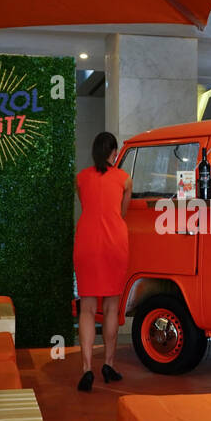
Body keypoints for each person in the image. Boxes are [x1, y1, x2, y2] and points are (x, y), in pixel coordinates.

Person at [73, 131, 131, 392]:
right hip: (114, 244)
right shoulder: (124, 179)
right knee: (110, 307)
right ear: (114, 153)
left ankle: (86, 368)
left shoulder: (81, 178)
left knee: (86, 308)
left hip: (86, 243)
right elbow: (122, 212)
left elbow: (85, 204)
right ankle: (108, 364)